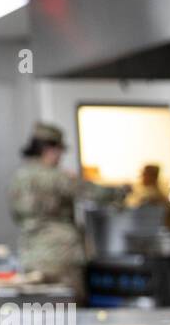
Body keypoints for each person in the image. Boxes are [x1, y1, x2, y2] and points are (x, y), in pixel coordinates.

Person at [7, 122, 127, 304]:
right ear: (50, 149)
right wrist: (121, 192)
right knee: (71, 315)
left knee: (40, 313)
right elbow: (92, 193)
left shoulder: (18, 177)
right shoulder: (57, 176)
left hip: (30, 255)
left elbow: (16, 216)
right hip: (62, 256)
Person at [126, 163, 170, 230]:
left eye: (144, 174)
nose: (141, 177)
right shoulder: (143, 192)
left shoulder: (155, 195)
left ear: (153, 176)